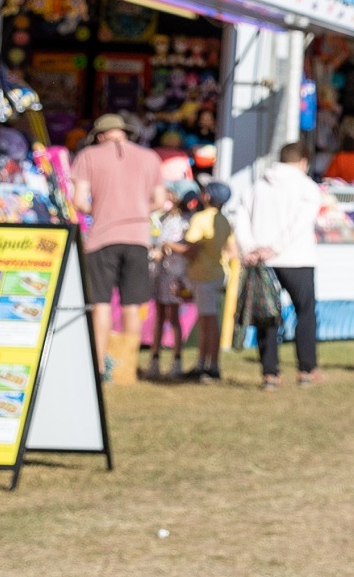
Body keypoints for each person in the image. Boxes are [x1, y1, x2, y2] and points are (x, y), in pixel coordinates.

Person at [70, 114, 171, 385]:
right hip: (138, 237)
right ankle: (127, 368)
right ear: (124, 133)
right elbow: (160, 201)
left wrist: (102, 211)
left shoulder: (88, 156)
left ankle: (99, 366)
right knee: (132, 304)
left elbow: (79, 201)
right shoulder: (150, 158)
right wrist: (136, 210)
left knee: (100, 303)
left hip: (102, 238)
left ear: (100, 135)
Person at [234, 143, 325, 391]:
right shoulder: (307, 187)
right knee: (305, 313)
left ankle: (270, 373)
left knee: (267, 316)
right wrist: (275, 246)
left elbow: (240, 219)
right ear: (303, 162)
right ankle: (307, 368)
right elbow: (301, 223)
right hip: (297, 259)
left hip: (263, 262)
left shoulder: (255, 186)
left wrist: (251, 248)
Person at [183, 180, 236, 384]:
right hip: (217, 273)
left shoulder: (201, 219)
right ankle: (205, 363)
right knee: (208, 320)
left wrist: (169, 245)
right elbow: (232, 251)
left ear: (207, 196)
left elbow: (191, 248)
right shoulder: (223, 220)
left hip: (204, 274)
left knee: (208, 321)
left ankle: (210, 365)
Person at [147, 191, 195, 381]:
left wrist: (168, 246)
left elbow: (188, 249)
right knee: (159, 315)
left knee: (173, 317)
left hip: (176, 275)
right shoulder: (164, 218)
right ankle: (155, 359)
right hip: (161, 274)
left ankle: (176, 360)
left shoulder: (185, 221)